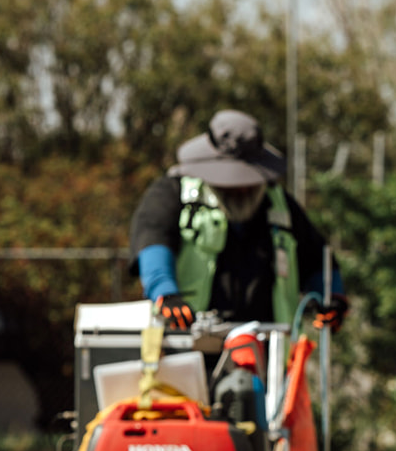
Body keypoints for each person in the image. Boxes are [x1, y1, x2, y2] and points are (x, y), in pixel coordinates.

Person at [130, 109, 347, 333]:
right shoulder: (174, 193)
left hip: (265, 343)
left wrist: (332, 298)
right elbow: (153, 240)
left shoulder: (278, 203)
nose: (242, 188)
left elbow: (317, 257)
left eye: (249, 182)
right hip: (191, 340)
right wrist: (165, 293)